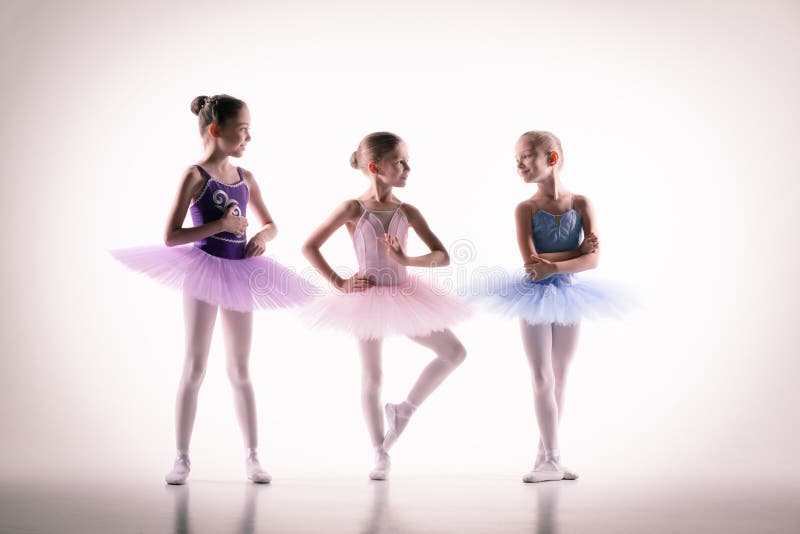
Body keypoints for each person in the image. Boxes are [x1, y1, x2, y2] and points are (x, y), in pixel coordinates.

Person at [112, 94, 311, 484]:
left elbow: (271, 224)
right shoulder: (195, 176)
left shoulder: (247, 178)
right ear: (216, 131)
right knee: (195, 366)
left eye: (250, 129)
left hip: (240, 270)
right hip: (204, 269)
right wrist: (219, 227)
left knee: (240, 368)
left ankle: (253, 457)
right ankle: (182, 458)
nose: (249, 137)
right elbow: (171, 236)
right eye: (243, 129)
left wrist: (263, 239)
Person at [301, 132, 470, 480]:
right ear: (376, 168)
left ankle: (404, 411)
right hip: (366, 297)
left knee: (454, 352)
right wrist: (340, 282)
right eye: (400, 162)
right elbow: (310, 246)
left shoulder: (408, 211)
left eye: (407, 160)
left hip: (406, 294)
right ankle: (379, 452)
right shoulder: (352, 209)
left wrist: (406, 258)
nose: (408, 167)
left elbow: (442, 256)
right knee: (373, 376)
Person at [481, 131, 625, 483]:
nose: (519, 164)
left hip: (570, 294)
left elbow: (594, 261)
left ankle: (547, 457)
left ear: (553, 158)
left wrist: (560, 264)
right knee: (541, 376)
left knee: (561, 377)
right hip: (533, 295)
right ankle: (552, 459)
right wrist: (577, 253)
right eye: (516, 158)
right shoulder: (525, 209)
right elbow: (532, 264)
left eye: (527, 156)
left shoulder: (581, 204)